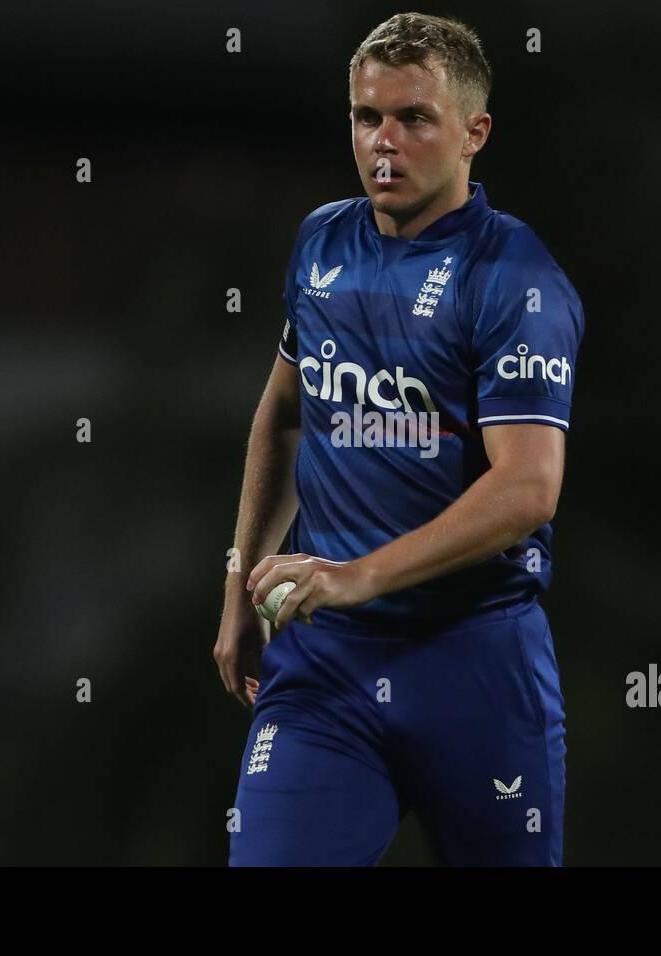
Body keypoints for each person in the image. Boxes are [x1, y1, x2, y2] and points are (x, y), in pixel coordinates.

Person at [213, 12, 584, 865]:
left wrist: (353, 576)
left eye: (414, 118)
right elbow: (283, 411)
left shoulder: (515, 277)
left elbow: (528, 487)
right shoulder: (321, 242)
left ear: (473, 132)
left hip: (477, 667)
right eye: (366, 116)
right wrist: (240, 575)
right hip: (325, 673)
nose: (384, 141)